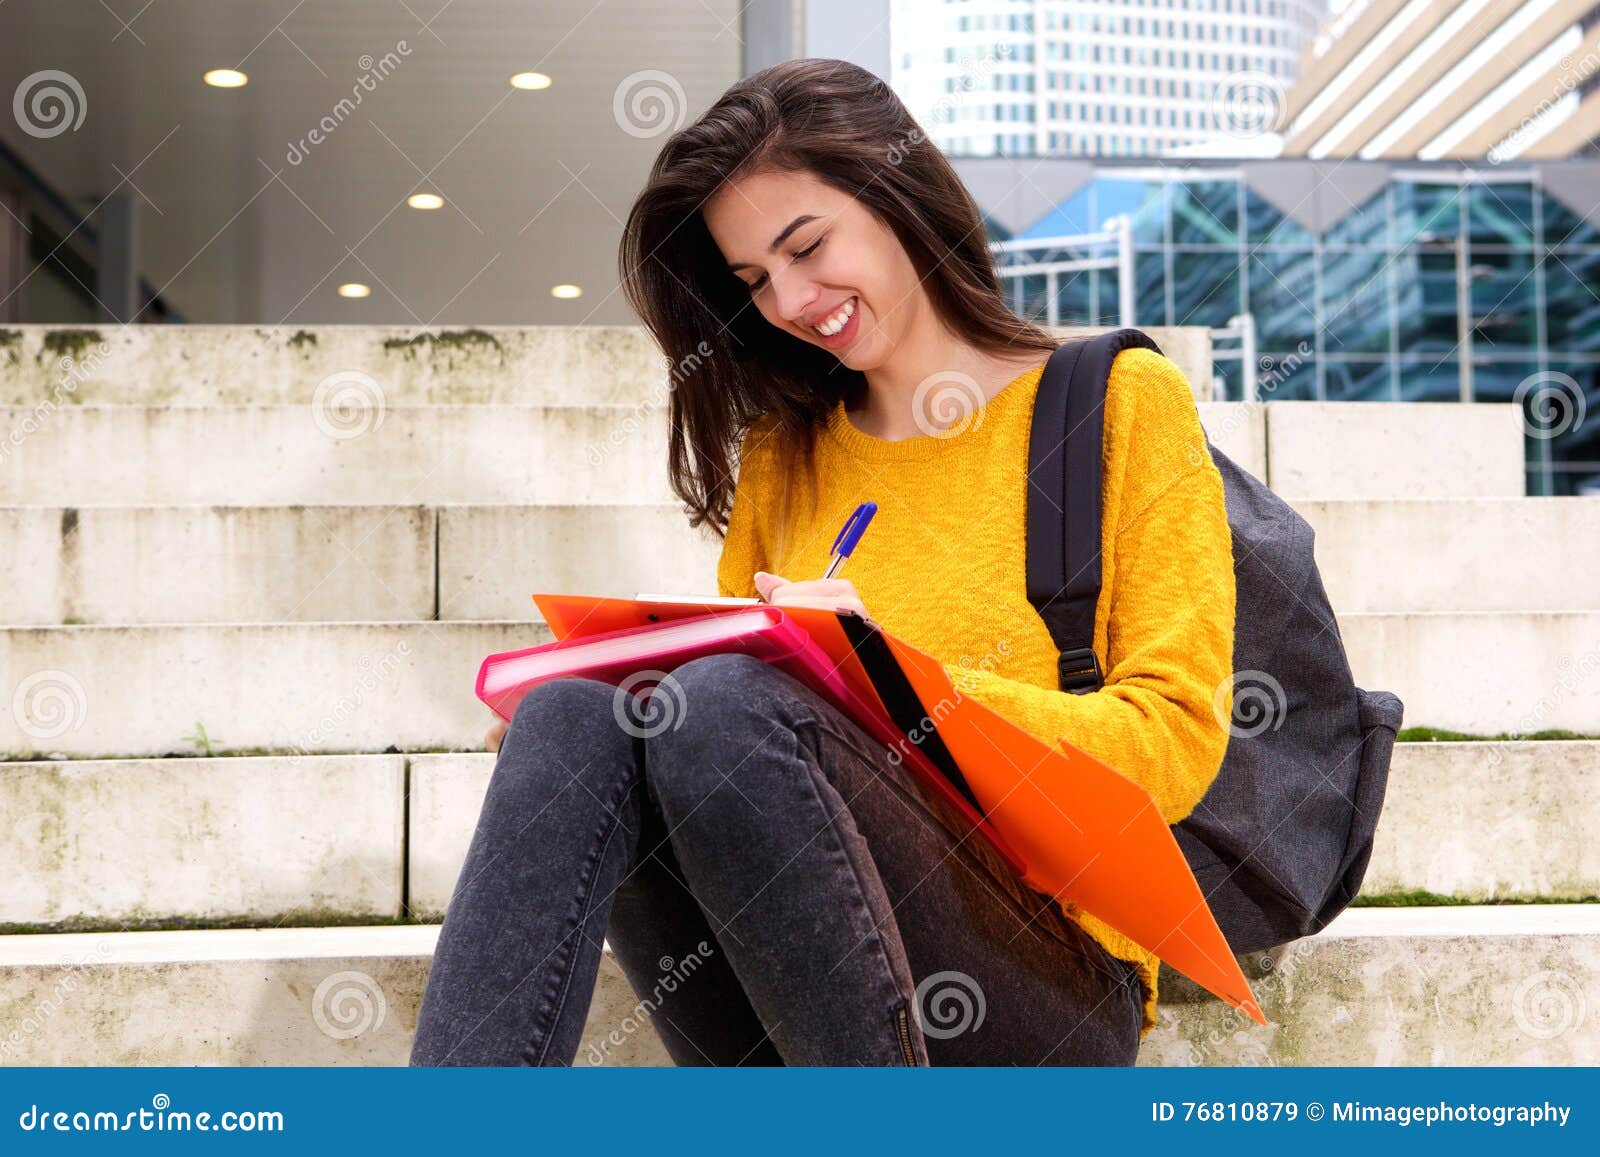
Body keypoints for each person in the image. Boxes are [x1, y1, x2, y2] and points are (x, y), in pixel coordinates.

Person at [409, 57, 1235, 1067]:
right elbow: (709, 743)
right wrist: (581, 772)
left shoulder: (1113, 401)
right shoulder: (784, 449)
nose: (794, 300)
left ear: (899, 198)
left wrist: (885, 675)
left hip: (1035, 988)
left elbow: (1177, 746)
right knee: (574, 715)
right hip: (786, 974)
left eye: (806, 246)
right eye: (754, 280)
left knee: (727, 703)